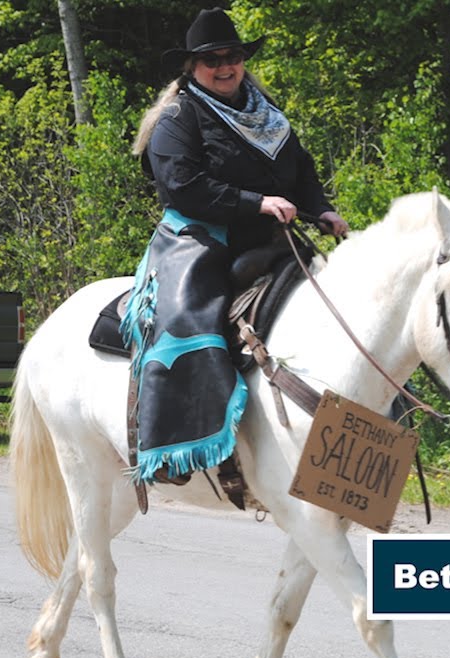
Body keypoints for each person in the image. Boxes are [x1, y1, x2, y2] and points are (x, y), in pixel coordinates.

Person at [121, 7, 348, 486]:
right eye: (212, 60)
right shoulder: (178, 118)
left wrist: (321, 208)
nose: (225, 67)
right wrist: (256, 202)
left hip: (271, 237)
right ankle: (173, 445)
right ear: (192, 68)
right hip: (201, 237)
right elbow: (182, 186)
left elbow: (301, 172)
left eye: (234, 57)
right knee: (187, 322)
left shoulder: (266, 112)